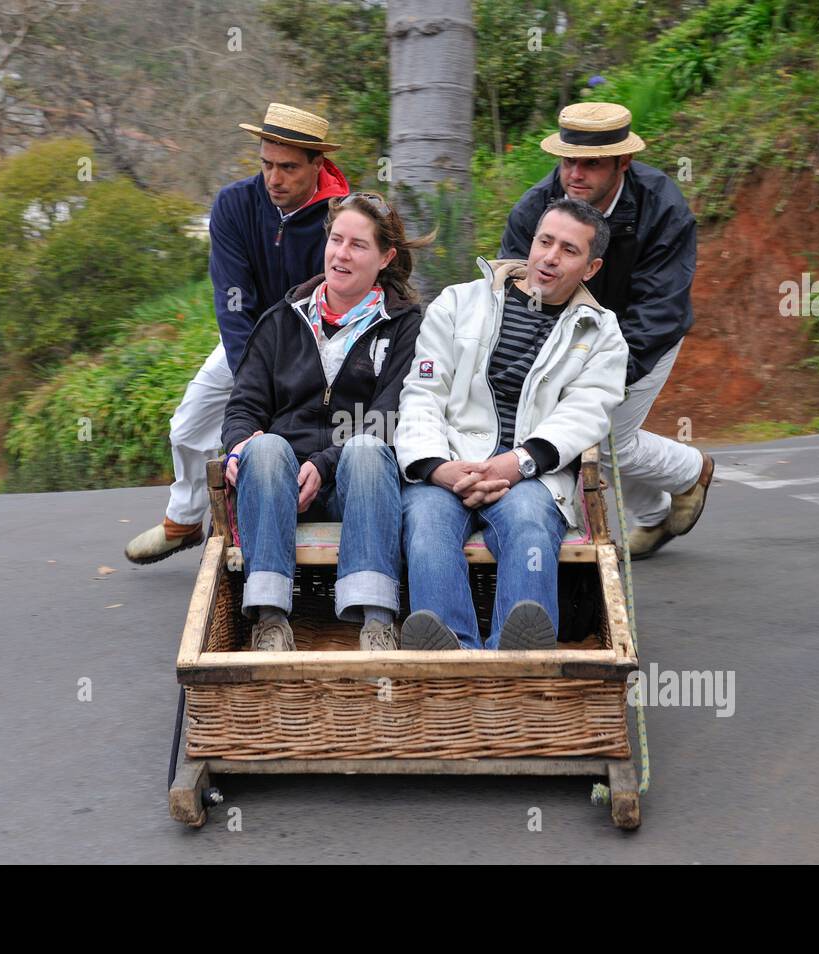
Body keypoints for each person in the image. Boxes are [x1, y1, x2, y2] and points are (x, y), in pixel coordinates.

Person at [394, 197, 627, 650]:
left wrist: (516, 464)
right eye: (545, 241)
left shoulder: (601, 333)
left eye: (569, 250)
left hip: (532, 475)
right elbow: (423, 393)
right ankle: (453, 653)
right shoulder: (459, 302)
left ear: (592, 267)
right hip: (450, 464)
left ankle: (519, 656)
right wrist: (437, 467)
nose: (550, 257)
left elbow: (586, 412)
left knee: (528, 522)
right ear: (532, 241)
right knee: (425, 521)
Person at [124, 104, 349, 564]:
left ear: (317, 164)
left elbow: (341, 302)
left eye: (288, 167)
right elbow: (232, 300)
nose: (274, 178)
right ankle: (184, 520)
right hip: (247, 340)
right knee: (187, 425)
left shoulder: (340, 218)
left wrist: (289, 385)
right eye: (267, 164)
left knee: (298, 436)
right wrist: (256, 381)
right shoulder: (234, 204)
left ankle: (288, 526)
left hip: (326, 347)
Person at [499, 102, 714, 560]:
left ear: (623, 162)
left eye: (591, 163)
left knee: (601, 438)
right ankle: (654, 518)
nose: (575, 174)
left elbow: (658, 309)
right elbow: (514, 294)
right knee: (577, 433)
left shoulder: (664, 209)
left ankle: (689, 471)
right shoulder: (534, 209)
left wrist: (600, 377)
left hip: (643, 335)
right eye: (568, 160)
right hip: (565, 339)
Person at [222, 193, 431, 652]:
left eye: (358, 245)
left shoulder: (406, 327)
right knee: (265, 446)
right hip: (278, 482)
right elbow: (244, 405)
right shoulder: (283, 320)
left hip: (355, 484)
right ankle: (270, 622)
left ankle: (377, 624)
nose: (342, 253)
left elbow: (390, 415)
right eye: (336, 240)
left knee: (366, 448)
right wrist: (239, 445)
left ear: (385, 257)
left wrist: (324, 463)